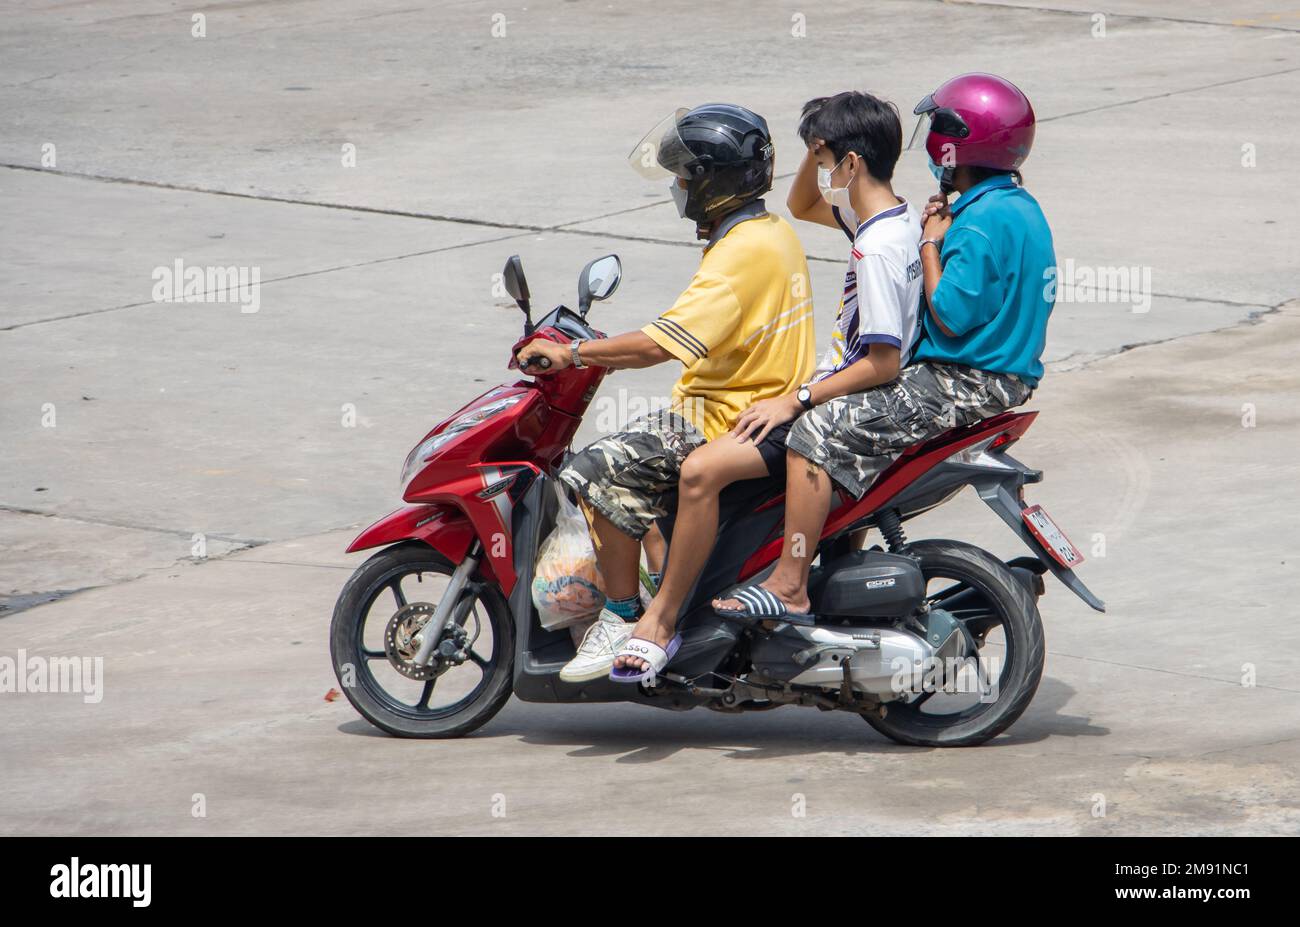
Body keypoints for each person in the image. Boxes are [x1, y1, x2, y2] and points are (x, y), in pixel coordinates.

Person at [713, 73, 1048, 621]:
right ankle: (838, 561)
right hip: (995, 374)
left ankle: (790, 583)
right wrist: (819, 146)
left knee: (816, 430)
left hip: (963, 378)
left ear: (954, 143)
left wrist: (932, 243)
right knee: (844, 421)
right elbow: (804, 203)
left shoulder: (974, 222)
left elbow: (952, 313)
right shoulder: (1014, 205)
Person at [615, 90, 921, 674]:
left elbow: (883, 361)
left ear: (851, 164)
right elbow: (802, 202)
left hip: (845, 395)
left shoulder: (878, 247)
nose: (820, 172)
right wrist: (820, 146)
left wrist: (796, 398)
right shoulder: (891, 216)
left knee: (699, 470)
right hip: (844, 386)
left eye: (827, 161)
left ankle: (674, 614)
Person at [515, 103, 815, 683]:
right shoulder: (770, 231)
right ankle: (656, 577)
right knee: (634, 464)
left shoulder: (739, 254)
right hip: (749, 400)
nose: (679, 189)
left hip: (723, 414)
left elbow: (658, 345)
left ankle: (625, 615)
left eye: (686, 177)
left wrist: (572, 354)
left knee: (592, 470)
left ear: (714, 182)